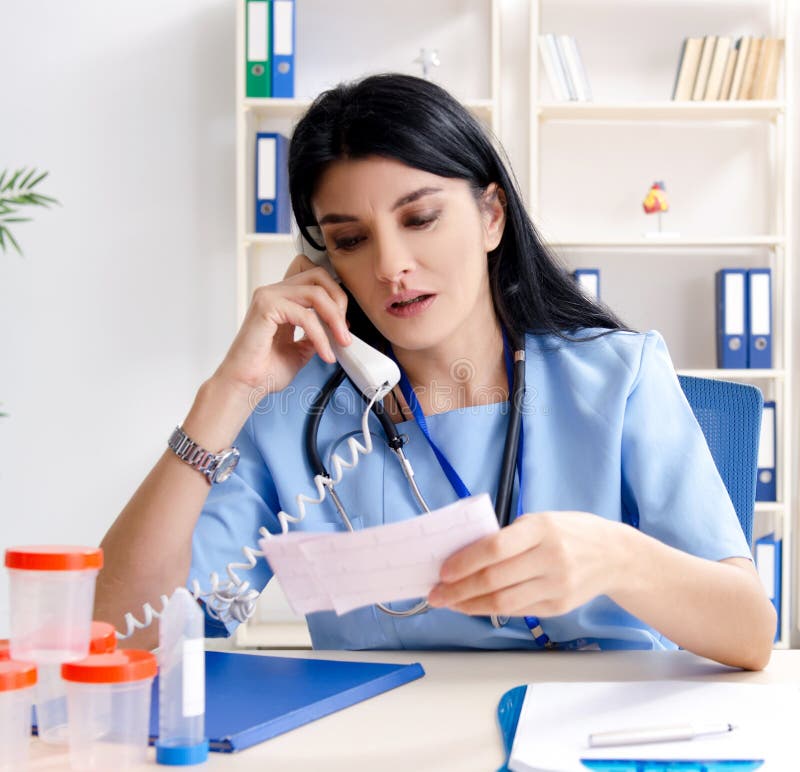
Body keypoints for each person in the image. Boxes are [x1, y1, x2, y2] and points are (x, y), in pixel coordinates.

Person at [94, 73, 776, 668]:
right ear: (324, 264)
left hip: (591, 736)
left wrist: (618, 558)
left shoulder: (616, 376)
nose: (390, 265)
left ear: (490, 215)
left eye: (419, 218)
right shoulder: (293, 418)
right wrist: (228, 394)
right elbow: (126, 637)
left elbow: (750, 633)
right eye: (350, 240)